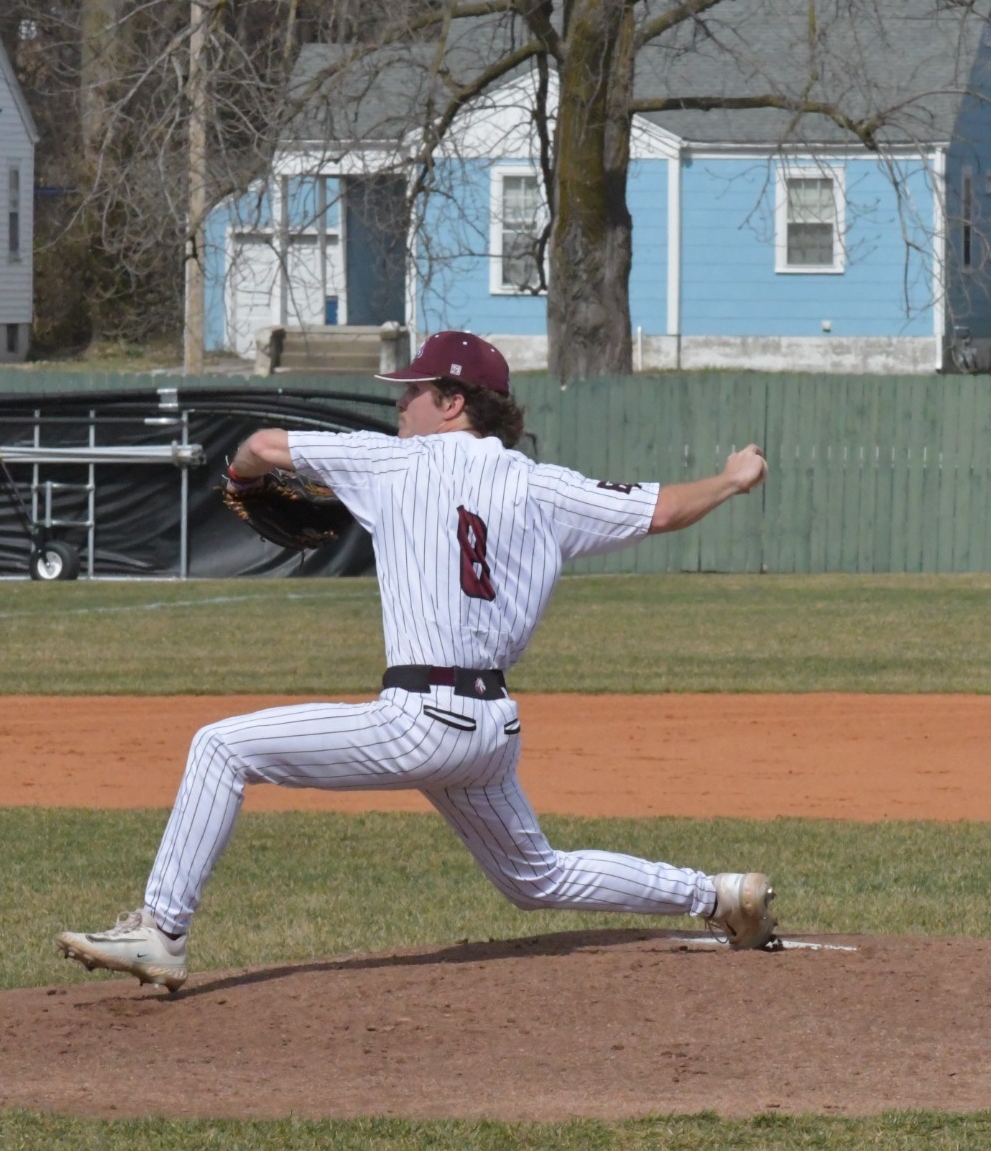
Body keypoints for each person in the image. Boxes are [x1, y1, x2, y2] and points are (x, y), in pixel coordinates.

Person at [57, 331, 773, 993]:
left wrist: (242, 482)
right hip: (490, 731)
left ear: (453, 402)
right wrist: (734, 478)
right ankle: (719, 894)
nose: (399, 403)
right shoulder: (543, 485)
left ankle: (162, 929)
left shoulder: (395, 460)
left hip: (420, 720)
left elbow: (262, 444)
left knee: (219, 747)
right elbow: (666, 509)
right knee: (536, 877)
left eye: (413, 391)